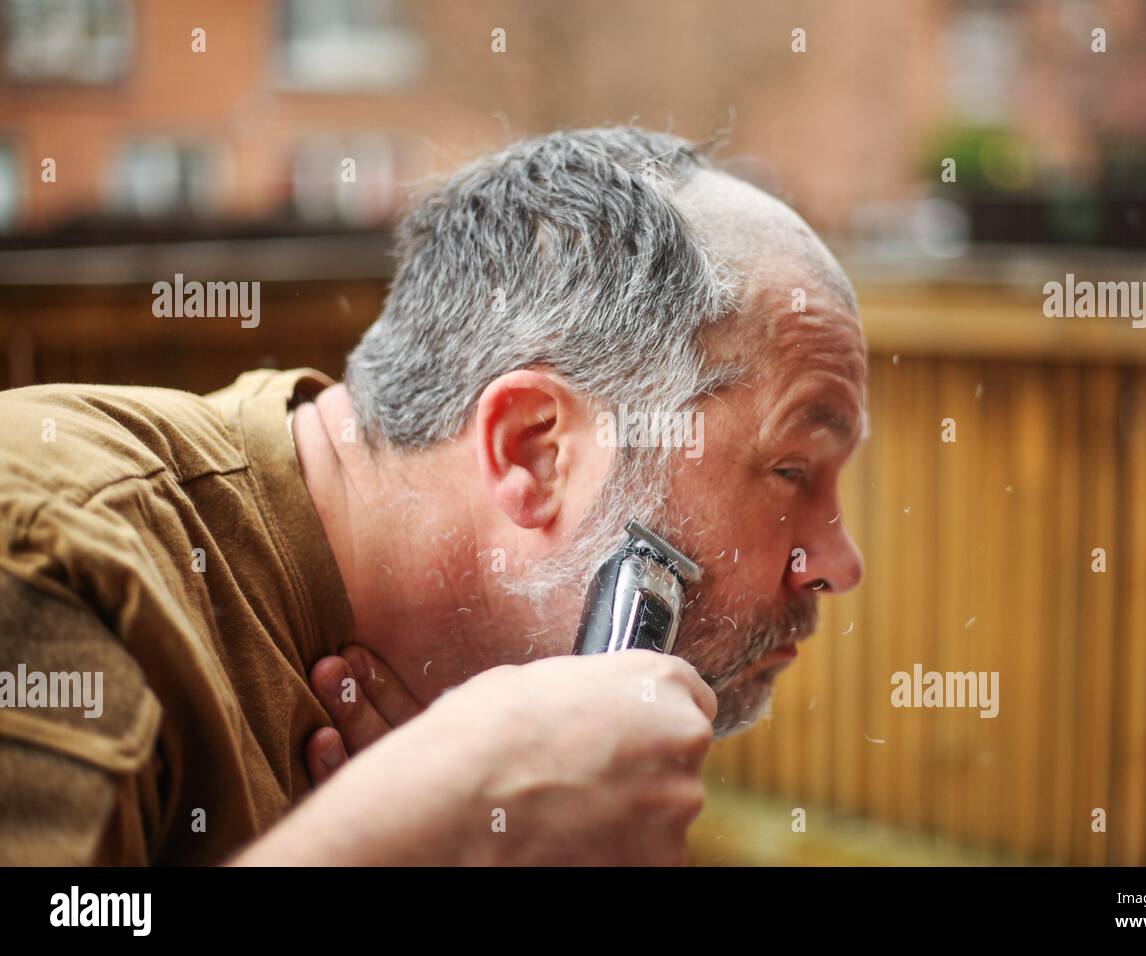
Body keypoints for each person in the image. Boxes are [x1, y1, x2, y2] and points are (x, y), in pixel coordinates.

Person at [0, 126, 867, 866]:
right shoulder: (52, 548)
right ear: (535, 452)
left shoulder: (483, 744)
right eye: (793, 471)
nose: (840, 562)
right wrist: (412, 836)